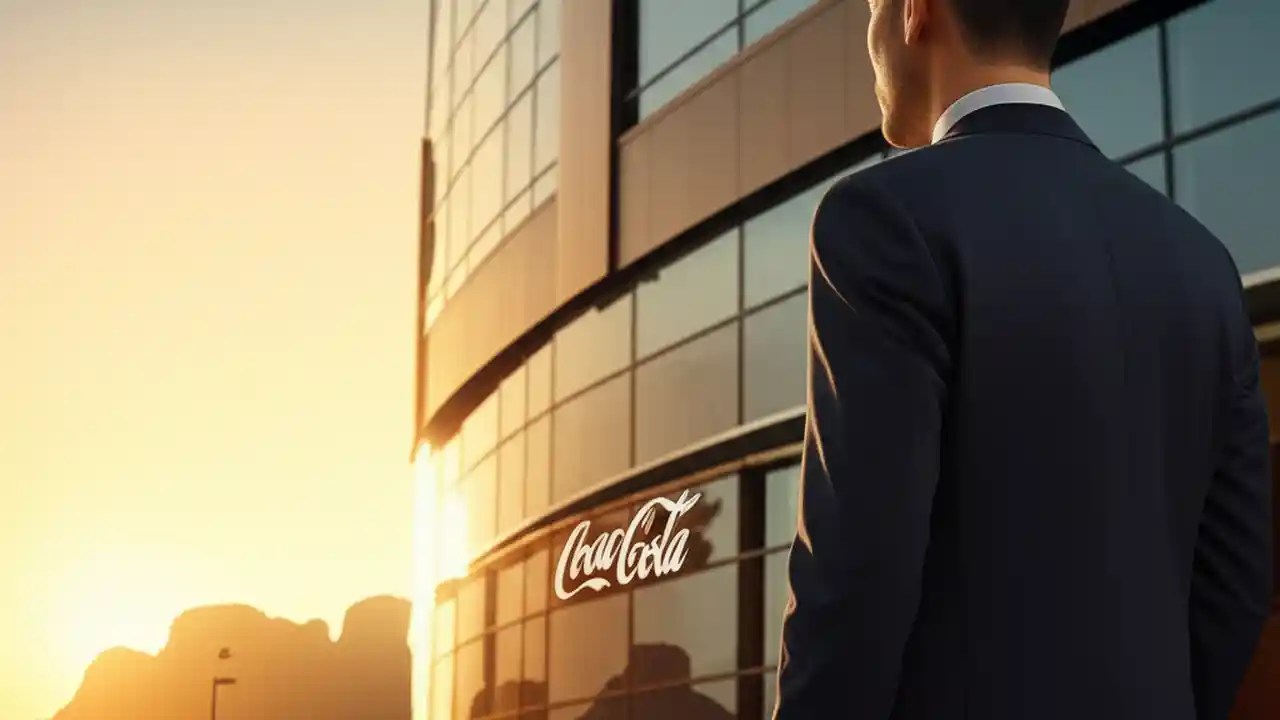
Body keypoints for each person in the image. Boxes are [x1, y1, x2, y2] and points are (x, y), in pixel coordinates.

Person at [773, 0, 1273, 718]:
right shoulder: (1203, 261)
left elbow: (854, 580)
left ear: (916, 11)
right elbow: (1237, 581)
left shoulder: (882, 220)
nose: (870, 33)